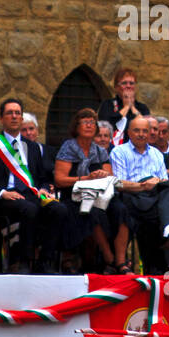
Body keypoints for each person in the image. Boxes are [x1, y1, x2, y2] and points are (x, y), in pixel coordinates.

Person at [0, 99, 68, 274]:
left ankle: (45, 261)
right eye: (10, 113)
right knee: (29, 209)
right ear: (2, 118)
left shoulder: (32, 147)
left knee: (59, 210)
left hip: (31, 194)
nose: (14, 116)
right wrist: (3, 193)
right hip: (5, 197)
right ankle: (24, 262)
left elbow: (41, 177)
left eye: (17, 113)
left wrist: (42, 188)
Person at [54, 108, 131, 273]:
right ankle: (109, 258)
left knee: (121, 209)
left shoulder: (100, 150)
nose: (89, 125)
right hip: (74, 197)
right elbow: (60, 180)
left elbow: (110, 177)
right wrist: (86, 178)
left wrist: (103, 174)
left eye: (92, 123)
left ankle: (121, 260)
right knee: (93, 212)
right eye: (85, 122)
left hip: (100, 194)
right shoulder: (68, 147)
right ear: (76, 127)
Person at [110, 116, 169, 275]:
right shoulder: (119, 151)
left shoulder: (156, 154)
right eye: (137, 130)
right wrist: (144, 185)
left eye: (145, 131)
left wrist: (156, 184)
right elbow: (119, 184)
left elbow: (163, 180)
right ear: (129, 132)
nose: (141, 134)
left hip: (155, 194)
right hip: (133, 195)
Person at [97, 69, 150, 148]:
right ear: (116, 87)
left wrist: (132, 107)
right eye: (124, 83)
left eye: (131, 83)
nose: (128, 86)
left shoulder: (142, 107)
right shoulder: (108, 104)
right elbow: (107, 125)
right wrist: (126, 107)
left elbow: (146, 126)